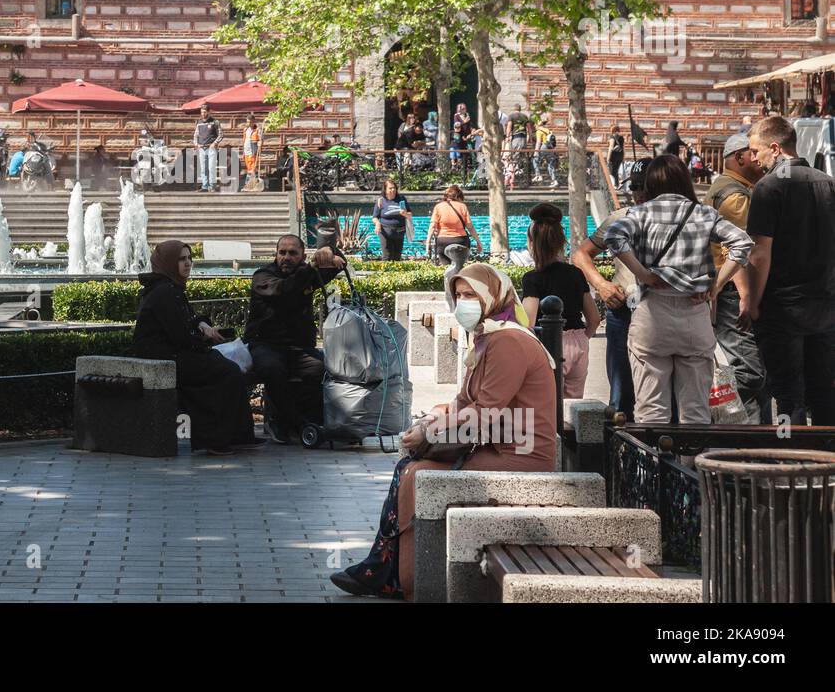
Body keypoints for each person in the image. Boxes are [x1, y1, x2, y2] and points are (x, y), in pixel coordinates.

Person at [330, 264, 558, 598]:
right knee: (408, 468)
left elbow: (484, 414)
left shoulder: (507, 341)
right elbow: (465, 404)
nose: (463, 302)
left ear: (494, 296)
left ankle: (396, 576)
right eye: (459, 295)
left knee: (415, 473)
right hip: (497, 447)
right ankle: (383, 567)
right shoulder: (489, 336)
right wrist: (430, 422)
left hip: (521, 456)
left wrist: (430, 436)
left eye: (471, 294)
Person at [604, 155, 752, 424]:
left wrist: (643, 275)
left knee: (651, 412)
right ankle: (690, 466)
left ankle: (655, 466)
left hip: (652, 313)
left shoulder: (640, 213)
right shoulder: (704, 214)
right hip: (694, 313)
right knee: (696, 412)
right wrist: (716, 285)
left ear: (650, 183)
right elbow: (742, 243)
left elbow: (613, 236)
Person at [741, 116, 835, 425]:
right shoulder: (828, 183)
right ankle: (826, 460)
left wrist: (752, 303)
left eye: (756, 151)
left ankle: (788, 458)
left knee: (788, 396)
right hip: (825, 307)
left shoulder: (768, 188)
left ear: (775, 148)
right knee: (824, 392)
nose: (752, 158)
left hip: (782, 311)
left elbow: (759, 253)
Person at [132, 240, 263, 455]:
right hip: (164, 356)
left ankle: (235, 436)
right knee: (226, 371)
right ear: (168, 262)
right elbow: (181, 335)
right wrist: (204, 341)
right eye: (181, 259)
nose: (187, 263)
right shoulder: (164, 291)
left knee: (224, 367)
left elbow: (187, 320)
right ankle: (217, 438)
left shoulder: (169, 287)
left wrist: (202, 325)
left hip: (173, 353)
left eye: (189, 258)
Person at [572, 158, 652, 419]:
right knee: (621, 394)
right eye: (635, 186)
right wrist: (601, 284)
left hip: (661, 310)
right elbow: (581, 254)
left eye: (644, 186)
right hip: (623, 310)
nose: (638, 193)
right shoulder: (619, 218)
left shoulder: (680, 217)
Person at [244, 235, 344, 443]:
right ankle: (280, 421)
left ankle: (310, 424)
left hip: (298, 348)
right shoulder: (262, 276)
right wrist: (313, 266)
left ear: (302, 256)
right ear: (276, 254)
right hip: (265, 345)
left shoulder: (306, 274)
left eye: (292, 253)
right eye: (282, 252)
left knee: (320, 368)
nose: (286, 258)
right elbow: (285, 289)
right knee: (273, 369)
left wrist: (328, 251)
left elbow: (339, 263)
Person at [706, 132, 767, 423]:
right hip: (733, 291)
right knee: (748, 371)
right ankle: (735, 433)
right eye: (752, 153)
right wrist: (746, 295)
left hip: (727, 290)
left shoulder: (729, 188)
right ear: (739, 157)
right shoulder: (734, 195)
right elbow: (740, 248)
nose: (757, 158)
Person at [520, 203, 599, 398]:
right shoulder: (576, 274)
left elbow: (528, 323)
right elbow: (594, 319)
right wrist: (580, 339)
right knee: (572, 407)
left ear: (532, 243)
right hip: (578, 343)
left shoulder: (532, 278)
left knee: (547, 406)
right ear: (560, 241)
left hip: (547, 345)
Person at [425, 184, 482, 265]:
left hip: (443, 241)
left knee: (445, 267)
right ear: (459, 196)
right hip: (460, 240)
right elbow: (470, 227)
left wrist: (428, 243)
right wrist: (478, 242)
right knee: (460, 267)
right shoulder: (462, 207)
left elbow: (432, 226)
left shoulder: (438, 207)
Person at [371, 178, 412, 261]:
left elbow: (410, 215)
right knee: (387, 255)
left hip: (399, 232)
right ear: (385, 190)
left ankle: (395, 273)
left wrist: (405, 214)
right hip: (385, 232)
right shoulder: (381, 201)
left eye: (394, 188)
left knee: (397, 256)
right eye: (390, 188)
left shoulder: (401, 199)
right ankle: (385, 273)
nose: (393, 190)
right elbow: (374, 217)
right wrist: (377, 224)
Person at [193, 105, 222, 193]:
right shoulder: (198, 122)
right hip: (202, 148)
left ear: (209, 112)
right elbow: (196, 135)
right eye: (202, 112)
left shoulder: (215, 122)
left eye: (205, 112)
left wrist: (215, 143)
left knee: (211, 168)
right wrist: (196, 144)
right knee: (203, 168)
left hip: (211, 148)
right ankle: (205, 186)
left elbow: (221, 134)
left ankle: (212, 186)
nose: (203, 114)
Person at [531, 114, 559, 187]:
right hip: (550, 148)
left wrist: (536, 152)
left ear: (537, 124)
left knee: (535, 160)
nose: (534, 125)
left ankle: (538, 175)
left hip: (544, 147)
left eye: (535, 124)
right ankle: (554, 180)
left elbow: (538, 142)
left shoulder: (539, 131)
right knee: (550, 164)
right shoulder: (548, 130)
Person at [241, 114, 263, 189]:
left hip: (253, 152)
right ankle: (251, 184)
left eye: (250, 122)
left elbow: (260, 140)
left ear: (254, 122)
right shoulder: (245, 130)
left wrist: (260, 145)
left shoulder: (257, 130)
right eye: (247, 122)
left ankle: (248, 184)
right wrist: (243, 152)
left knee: (252, 169)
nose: (249, 124)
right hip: (246, 151)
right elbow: (244, 141)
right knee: (249, 168)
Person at [451, 103, 473, 171]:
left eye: (464, 108)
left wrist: (471, 133)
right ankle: (457, 167)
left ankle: (466, 168)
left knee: (467, 152)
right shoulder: (456, 116)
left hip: (467, 137)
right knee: (458, 152)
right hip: (459, 137)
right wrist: (464, 121)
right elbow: (457, 126)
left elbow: (470, 125)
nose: (463, 110)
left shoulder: (467, 115)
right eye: (461, 108)